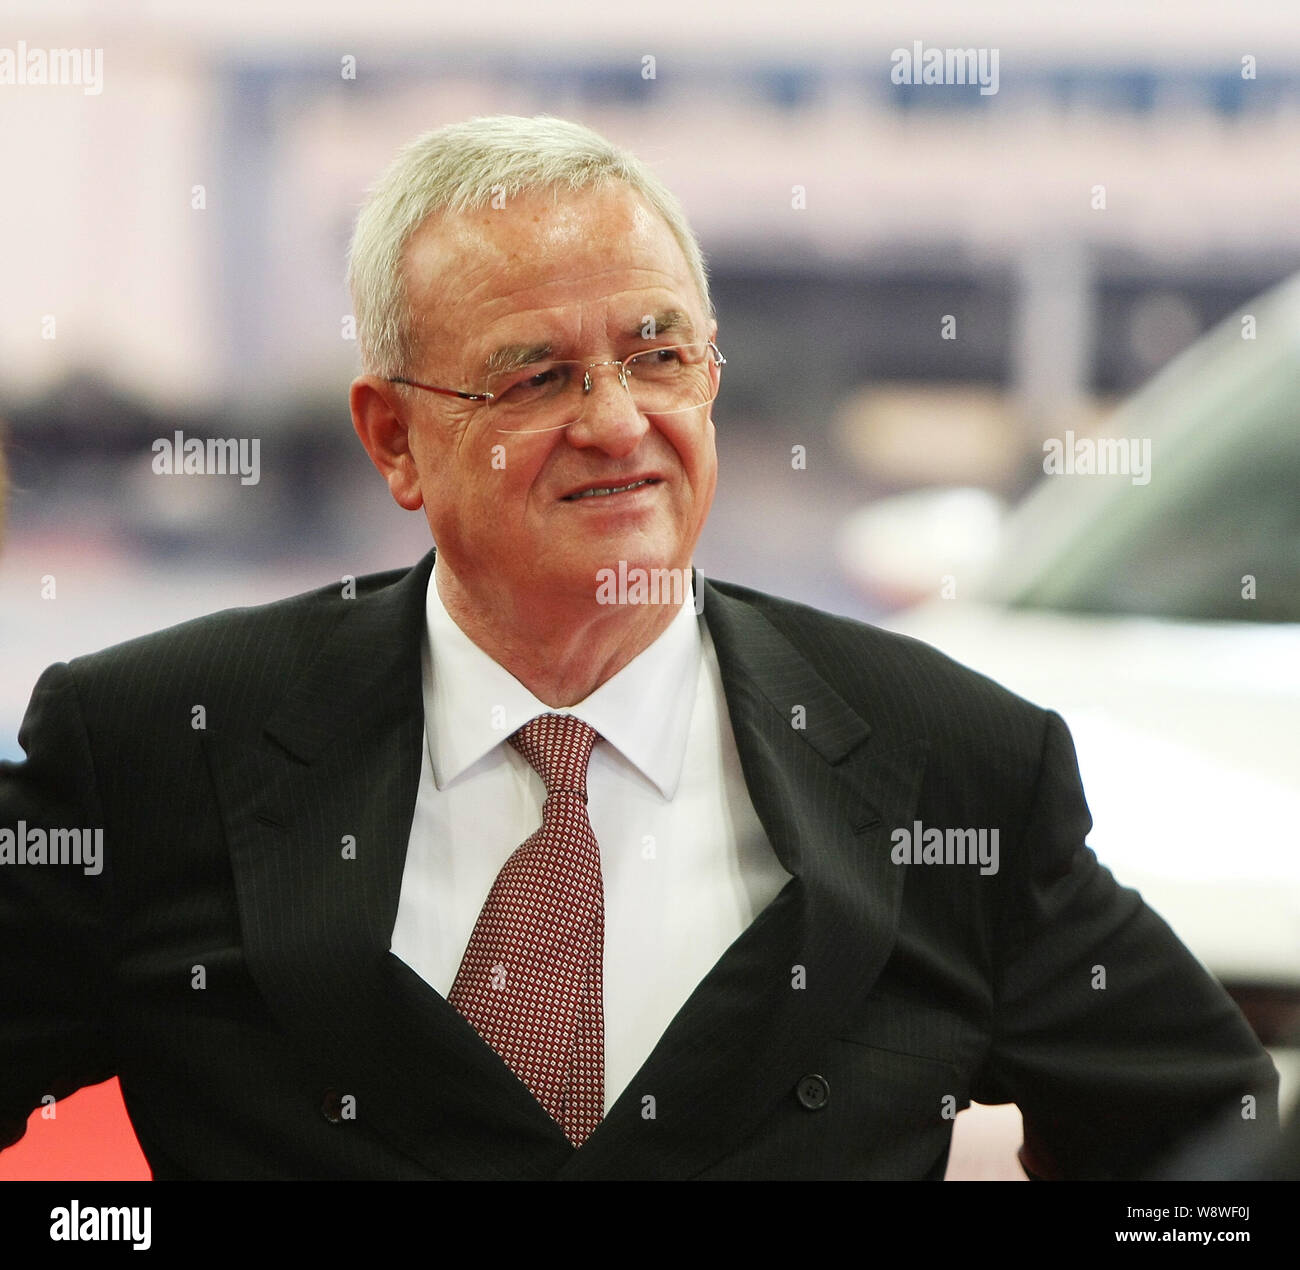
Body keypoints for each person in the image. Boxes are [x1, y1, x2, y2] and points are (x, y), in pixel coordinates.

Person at [0, 115, 1278, 1180]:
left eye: (659, 355)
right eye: (535, 376)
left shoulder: (951, 763)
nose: (618, 423)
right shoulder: (158, 745)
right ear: (392, 437)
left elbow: (1198, 1125)